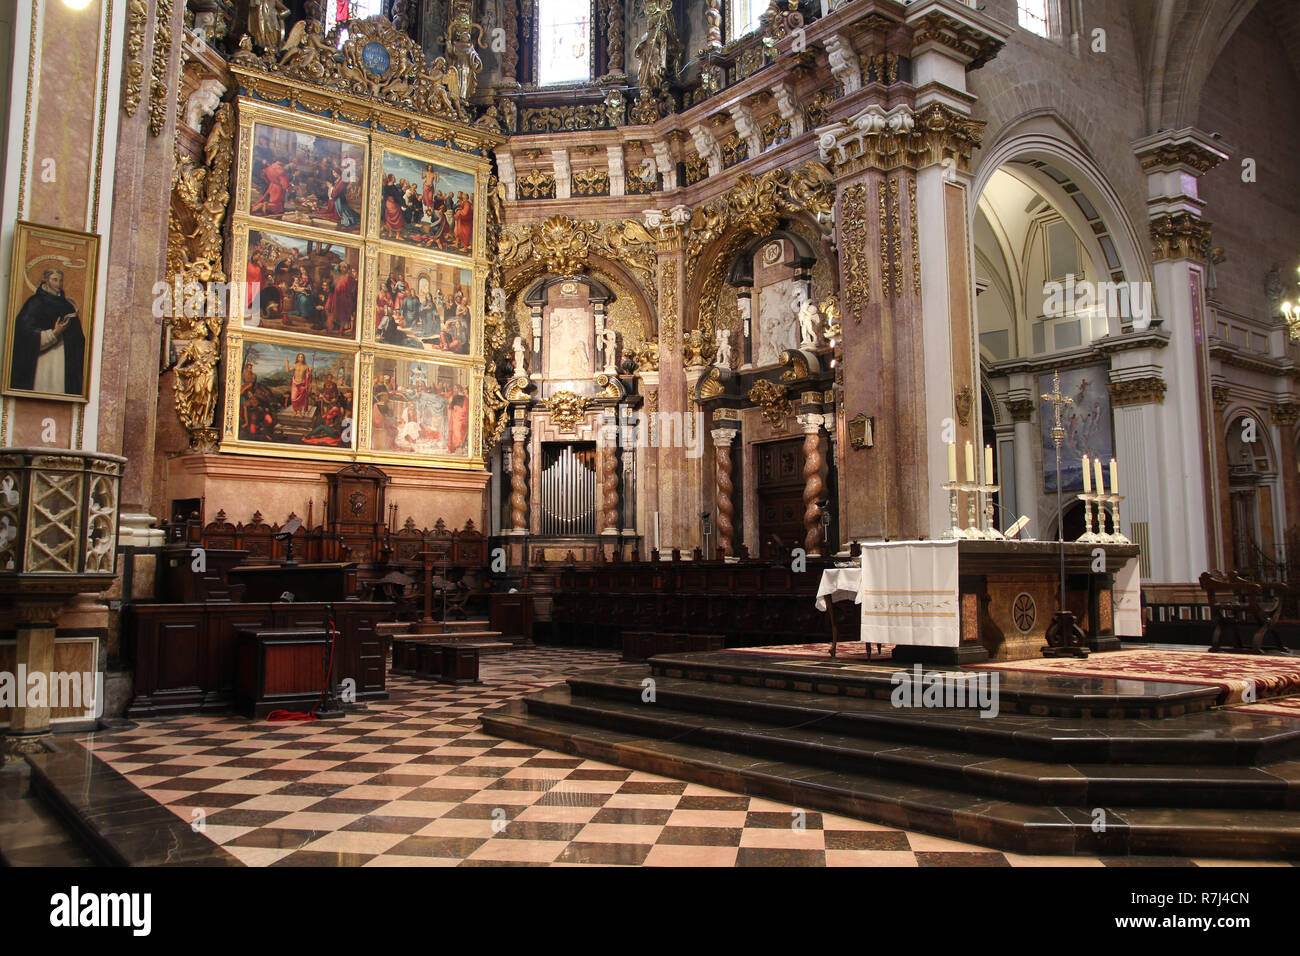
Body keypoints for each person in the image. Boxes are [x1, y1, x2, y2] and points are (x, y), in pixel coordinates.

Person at [9, 269, 86, 394]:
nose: (58, 284)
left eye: (60, 280)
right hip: (41, 362)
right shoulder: (35, 303)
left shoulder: (67, 306)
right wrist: (55, 333)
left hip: (62, 363)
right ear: (46, 280)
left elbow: (78, 340)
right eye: (55, 280)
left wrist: (70, 335)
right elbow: (23, 334)